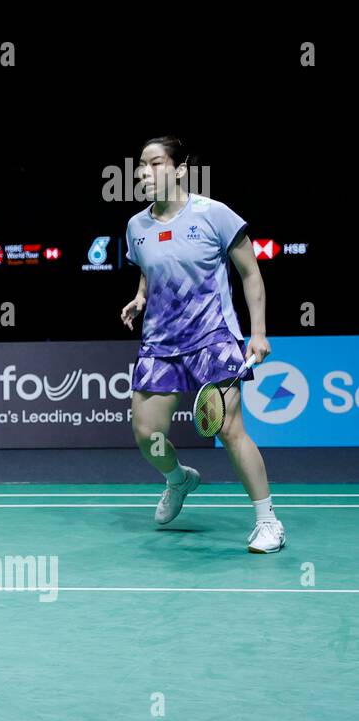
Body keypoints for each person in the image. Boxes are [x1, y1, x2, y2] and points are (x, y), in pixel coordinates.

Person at [120, 136, 285, 553]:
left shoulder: (214, 215)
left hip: (212, 336)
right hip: (161, 343)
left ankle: (268, 521)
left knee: (230, 429)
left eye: (155, 163)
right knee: (146, 434)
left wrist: (259, 332)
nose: (143, 172)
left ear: (179, 169)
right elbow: (148, 269)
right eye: (140, 165)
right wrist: (140, 298)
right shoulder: (136, 227)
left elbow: (250, 273)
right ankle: (179, 479)